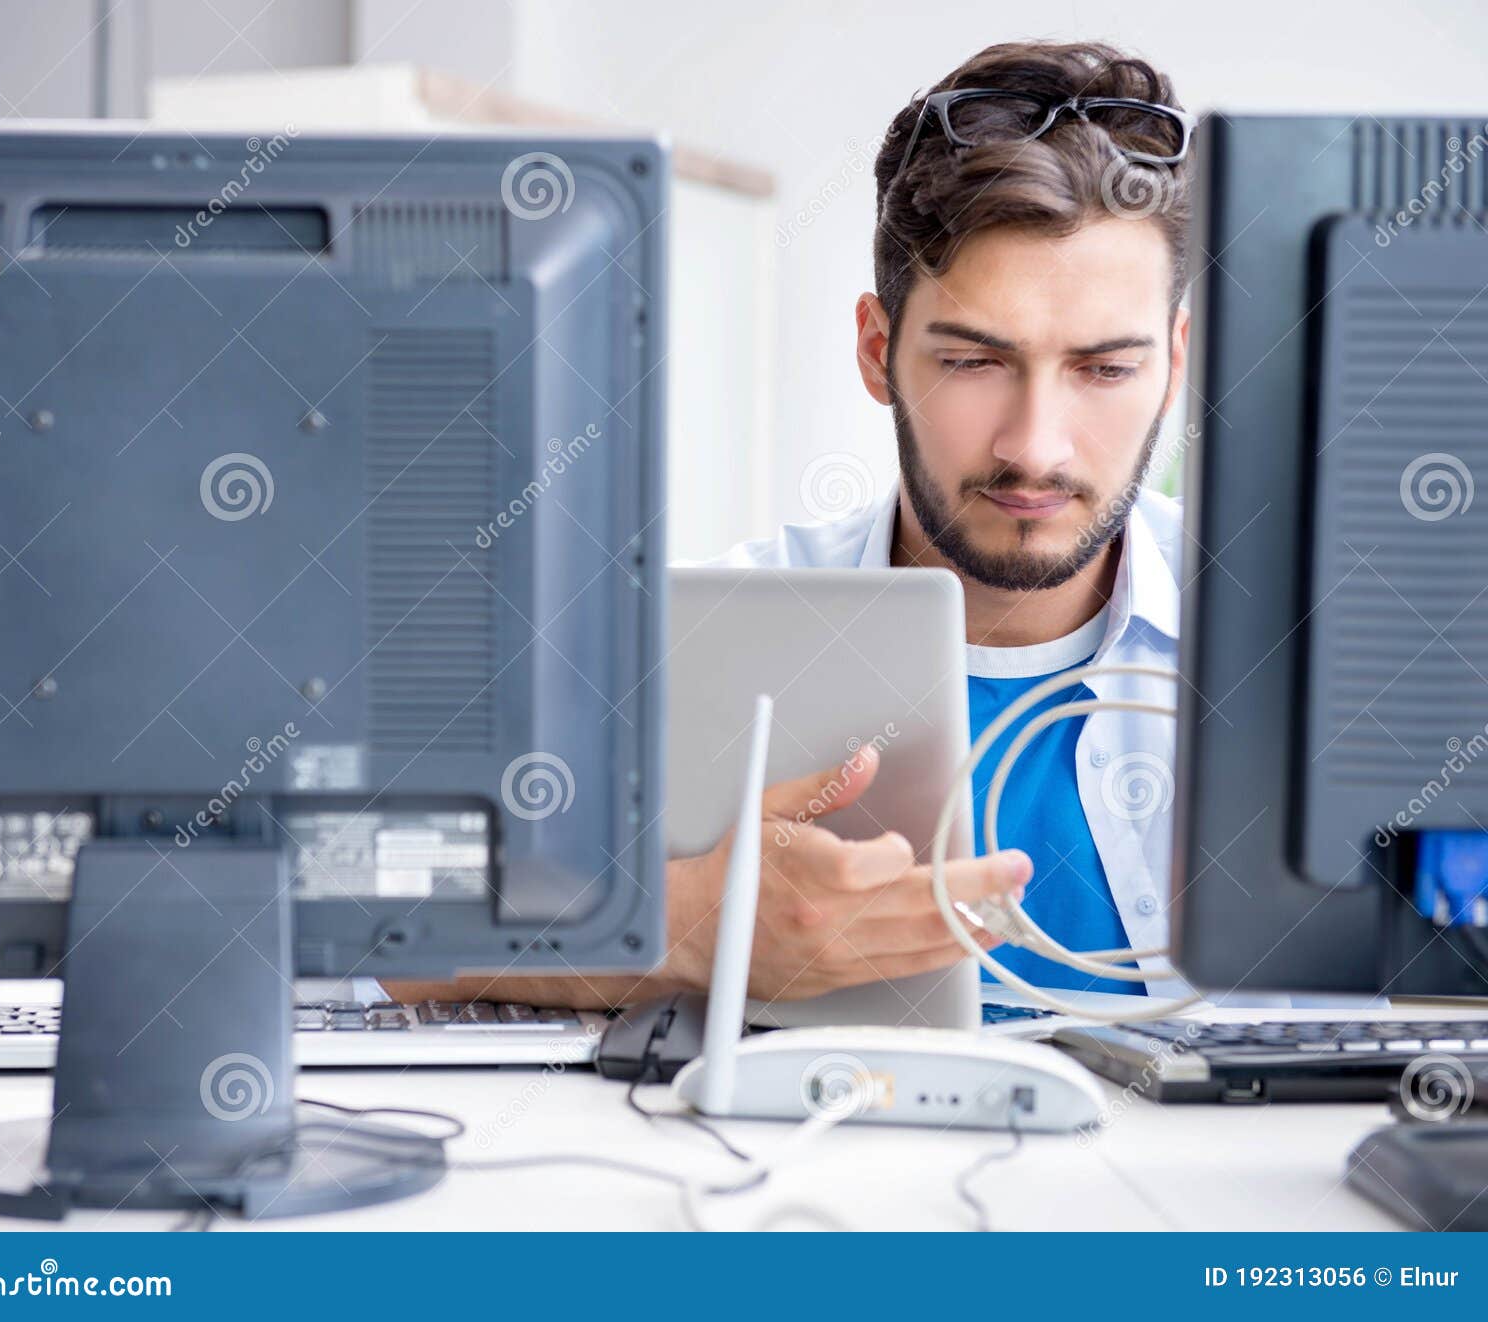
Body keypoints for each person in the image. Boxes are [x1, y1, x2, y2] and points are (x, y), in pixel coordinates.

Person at [385, 37, 1191, 1010]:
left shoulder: (1309, 632)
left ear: (1172, 365)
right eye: (974, 361)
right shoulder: (707, 632)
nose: (1036, 446)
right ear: (876, 348)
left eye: (1104, 369)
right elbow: (387, 923)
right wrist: (683, 927)